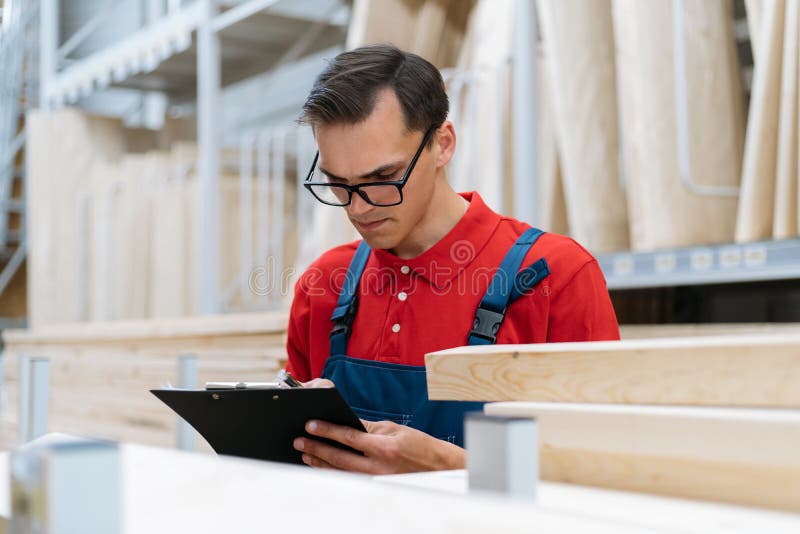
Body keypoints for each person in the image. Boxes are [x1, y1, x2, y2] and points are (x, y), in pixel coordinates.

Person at [287, 44, 620, 475]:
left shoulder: (556, 277)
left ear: (442, 145)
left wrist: (448, 466)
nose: (359, 209)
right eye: (338, 183)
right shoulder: (323, 285)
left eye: (383, 178)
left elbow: (606, 472)